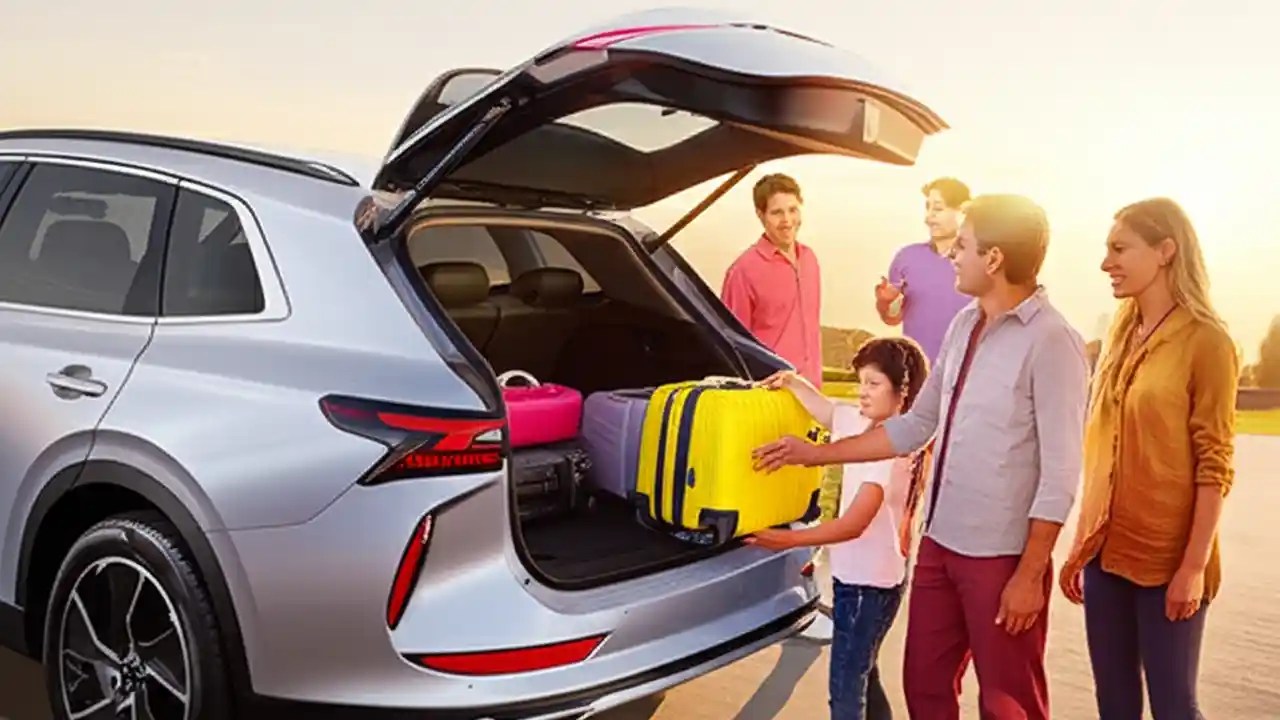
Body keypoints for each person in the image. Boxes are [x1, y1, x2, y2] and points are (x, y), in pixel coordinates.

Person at [752, 194, 1090, 720]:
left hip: (1000, 556)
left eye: (963, 245)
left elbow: (1062, 472)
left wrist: (1029, 575)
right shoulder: (963, 326)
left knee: (1008, 702)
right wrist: (813, 456)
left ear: (994, 258)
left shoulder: (1053, 342)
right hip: (937, 546)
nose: (952, 254)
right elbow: (914, 426)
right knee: (925, 688)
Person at [1058, 198, 1238, 720]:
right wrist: (1081, 545)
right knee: (1114, 706)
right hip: (1105, 555)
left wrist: (1193, 567)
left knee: (1174, 708)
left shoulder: (1207, 341)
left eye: (1120, 249)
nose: (1106, 263)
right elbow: (1103, 450)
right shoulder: (1120, 333)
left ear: (1165, 251)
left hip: (1169, 560)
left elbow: (1215, 464)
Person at [746, 337, 931, 720]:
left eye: (873, 384)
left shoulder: (892, 453)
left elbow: (853, 524)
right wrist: (791, 381)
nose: (863, 392)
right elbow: (827, 410)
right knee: (864, 671)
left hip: (868, 588)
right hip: (876, 579)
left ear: (903, 391)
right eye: (861, 381)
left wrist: (787, 540)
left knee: (846, 691)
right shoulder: (861, 424)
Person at [721, 172, 823, 388]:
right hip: (768, 393)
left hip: (811, 391)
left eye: (793, 210)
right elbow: (732, 347)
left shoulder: (809, 259)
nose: (787, 221)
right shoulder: (743, 271)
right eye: (777, 212)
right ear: (761, 215)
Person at [875, 177, 972, 365]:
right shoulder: (906, 257)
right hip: (917, 371)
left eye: (938, 209)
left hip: (966, 372)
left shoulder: (979, 262)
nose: (929, 217)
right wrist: (884, 302)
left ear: (963, 211)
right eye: (927, 208)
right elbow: (892, 318)